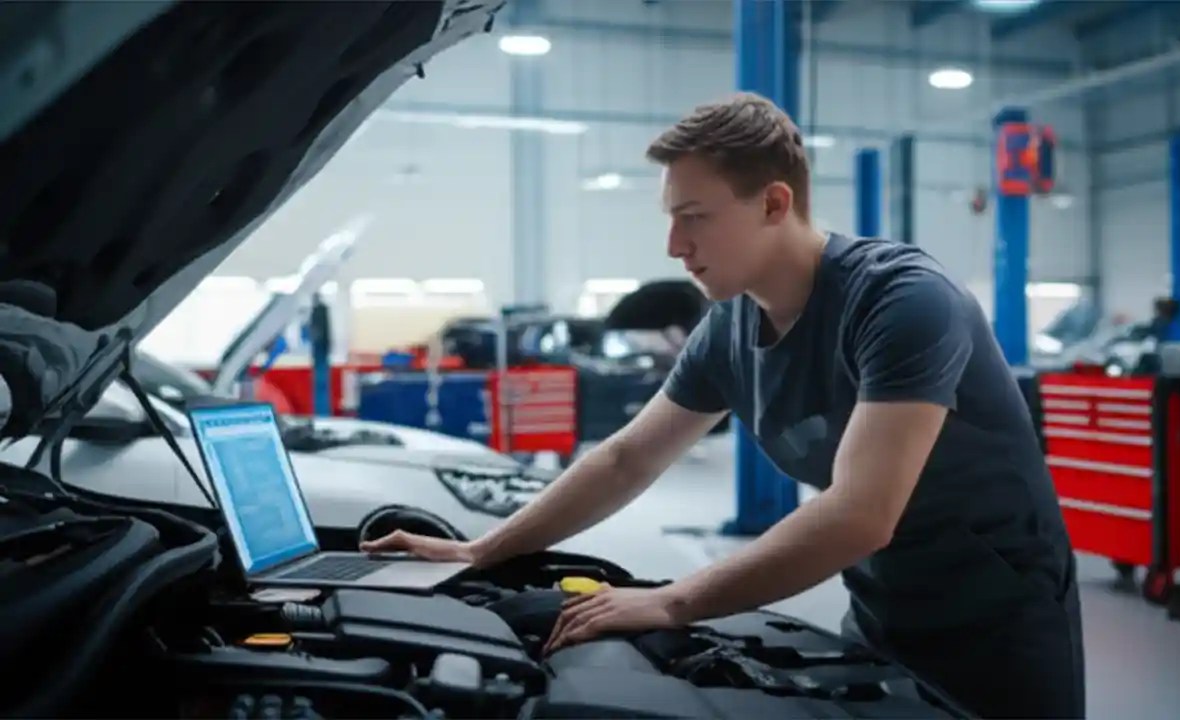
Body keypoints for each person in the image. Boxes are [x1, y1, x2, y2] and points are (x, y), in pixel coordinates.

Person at [361, 92, 1085, 719]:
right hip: (882, 611)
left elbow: (862, 512)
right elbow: (627, 457)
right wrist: (480, 549)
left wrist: (673, 601)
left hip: (1000, 626)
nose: (675, 245)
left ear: (775, 203)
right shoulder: (731, 327)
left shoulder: (901, 301)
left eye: (695, 217)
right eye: (672, 219)